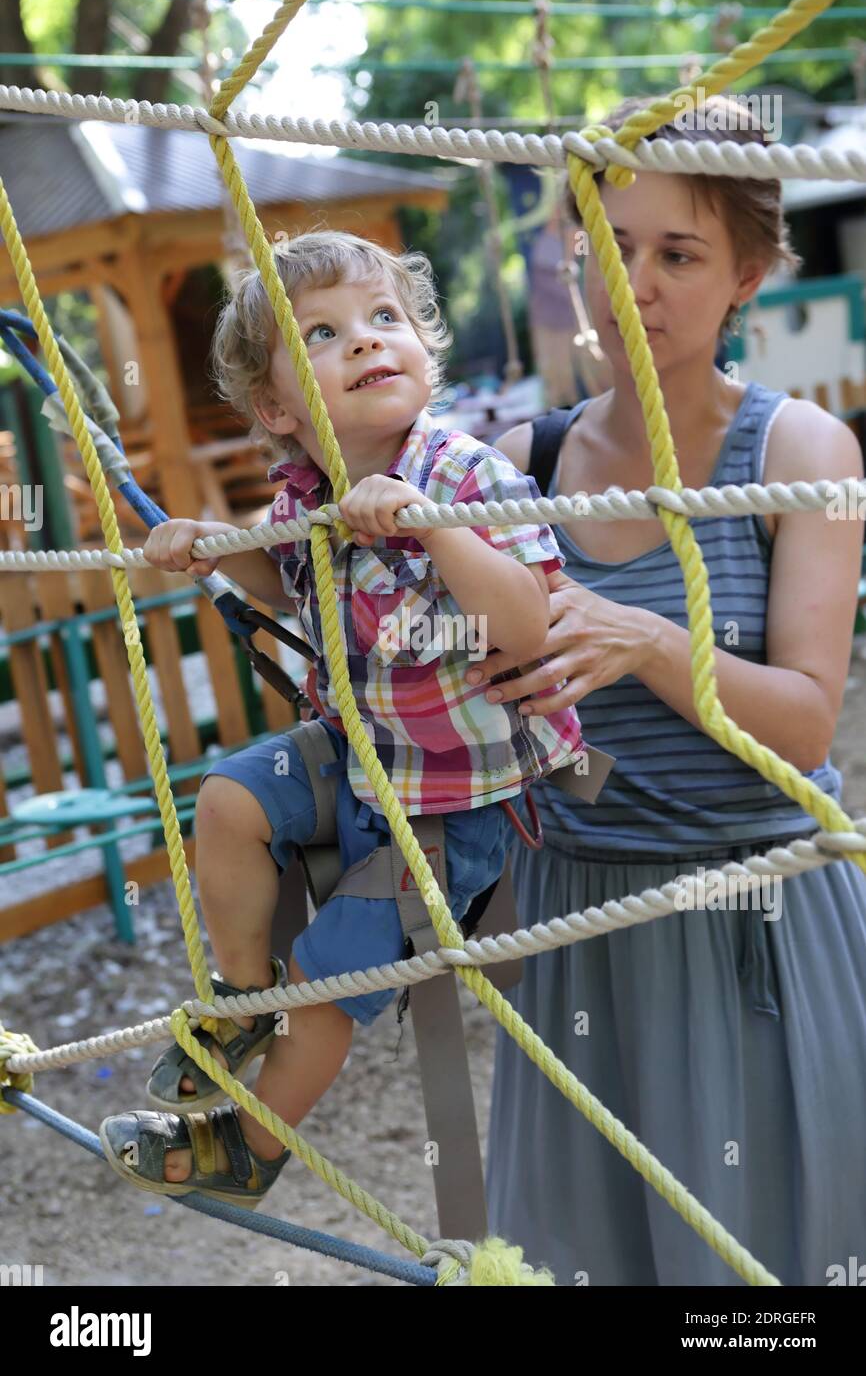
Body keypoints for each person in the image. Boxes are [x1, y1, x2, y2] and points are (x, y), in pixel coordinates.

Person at [98, 229, 586, 1208]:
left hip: (461, 799)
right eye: (325, 332)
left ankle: (245, 1147)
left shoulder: (460, 473)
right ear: (278, 406)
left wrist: (426, 524)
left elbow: (528, 620)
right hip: (368, 751)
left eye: (383, 319)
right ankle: (240, 1002)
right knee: (230, 799)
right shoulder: (307, 498)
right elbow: (286, 587)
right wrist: (214, 549)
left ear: (421, 347)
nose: (366, 341)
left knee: (326, 979)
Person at [474, 94, 866, 1286]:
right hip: (583, 917)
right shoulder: (516, 466)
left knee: (769, 1276)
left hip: (756, 912)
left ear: (747, 272)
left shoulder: (798, 452)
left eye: (677, 254)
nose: (630, 285)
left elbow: (803, 719)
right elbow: (442, 665)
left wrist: (648, 640)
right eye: (608, 247)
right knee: (597, 1259)